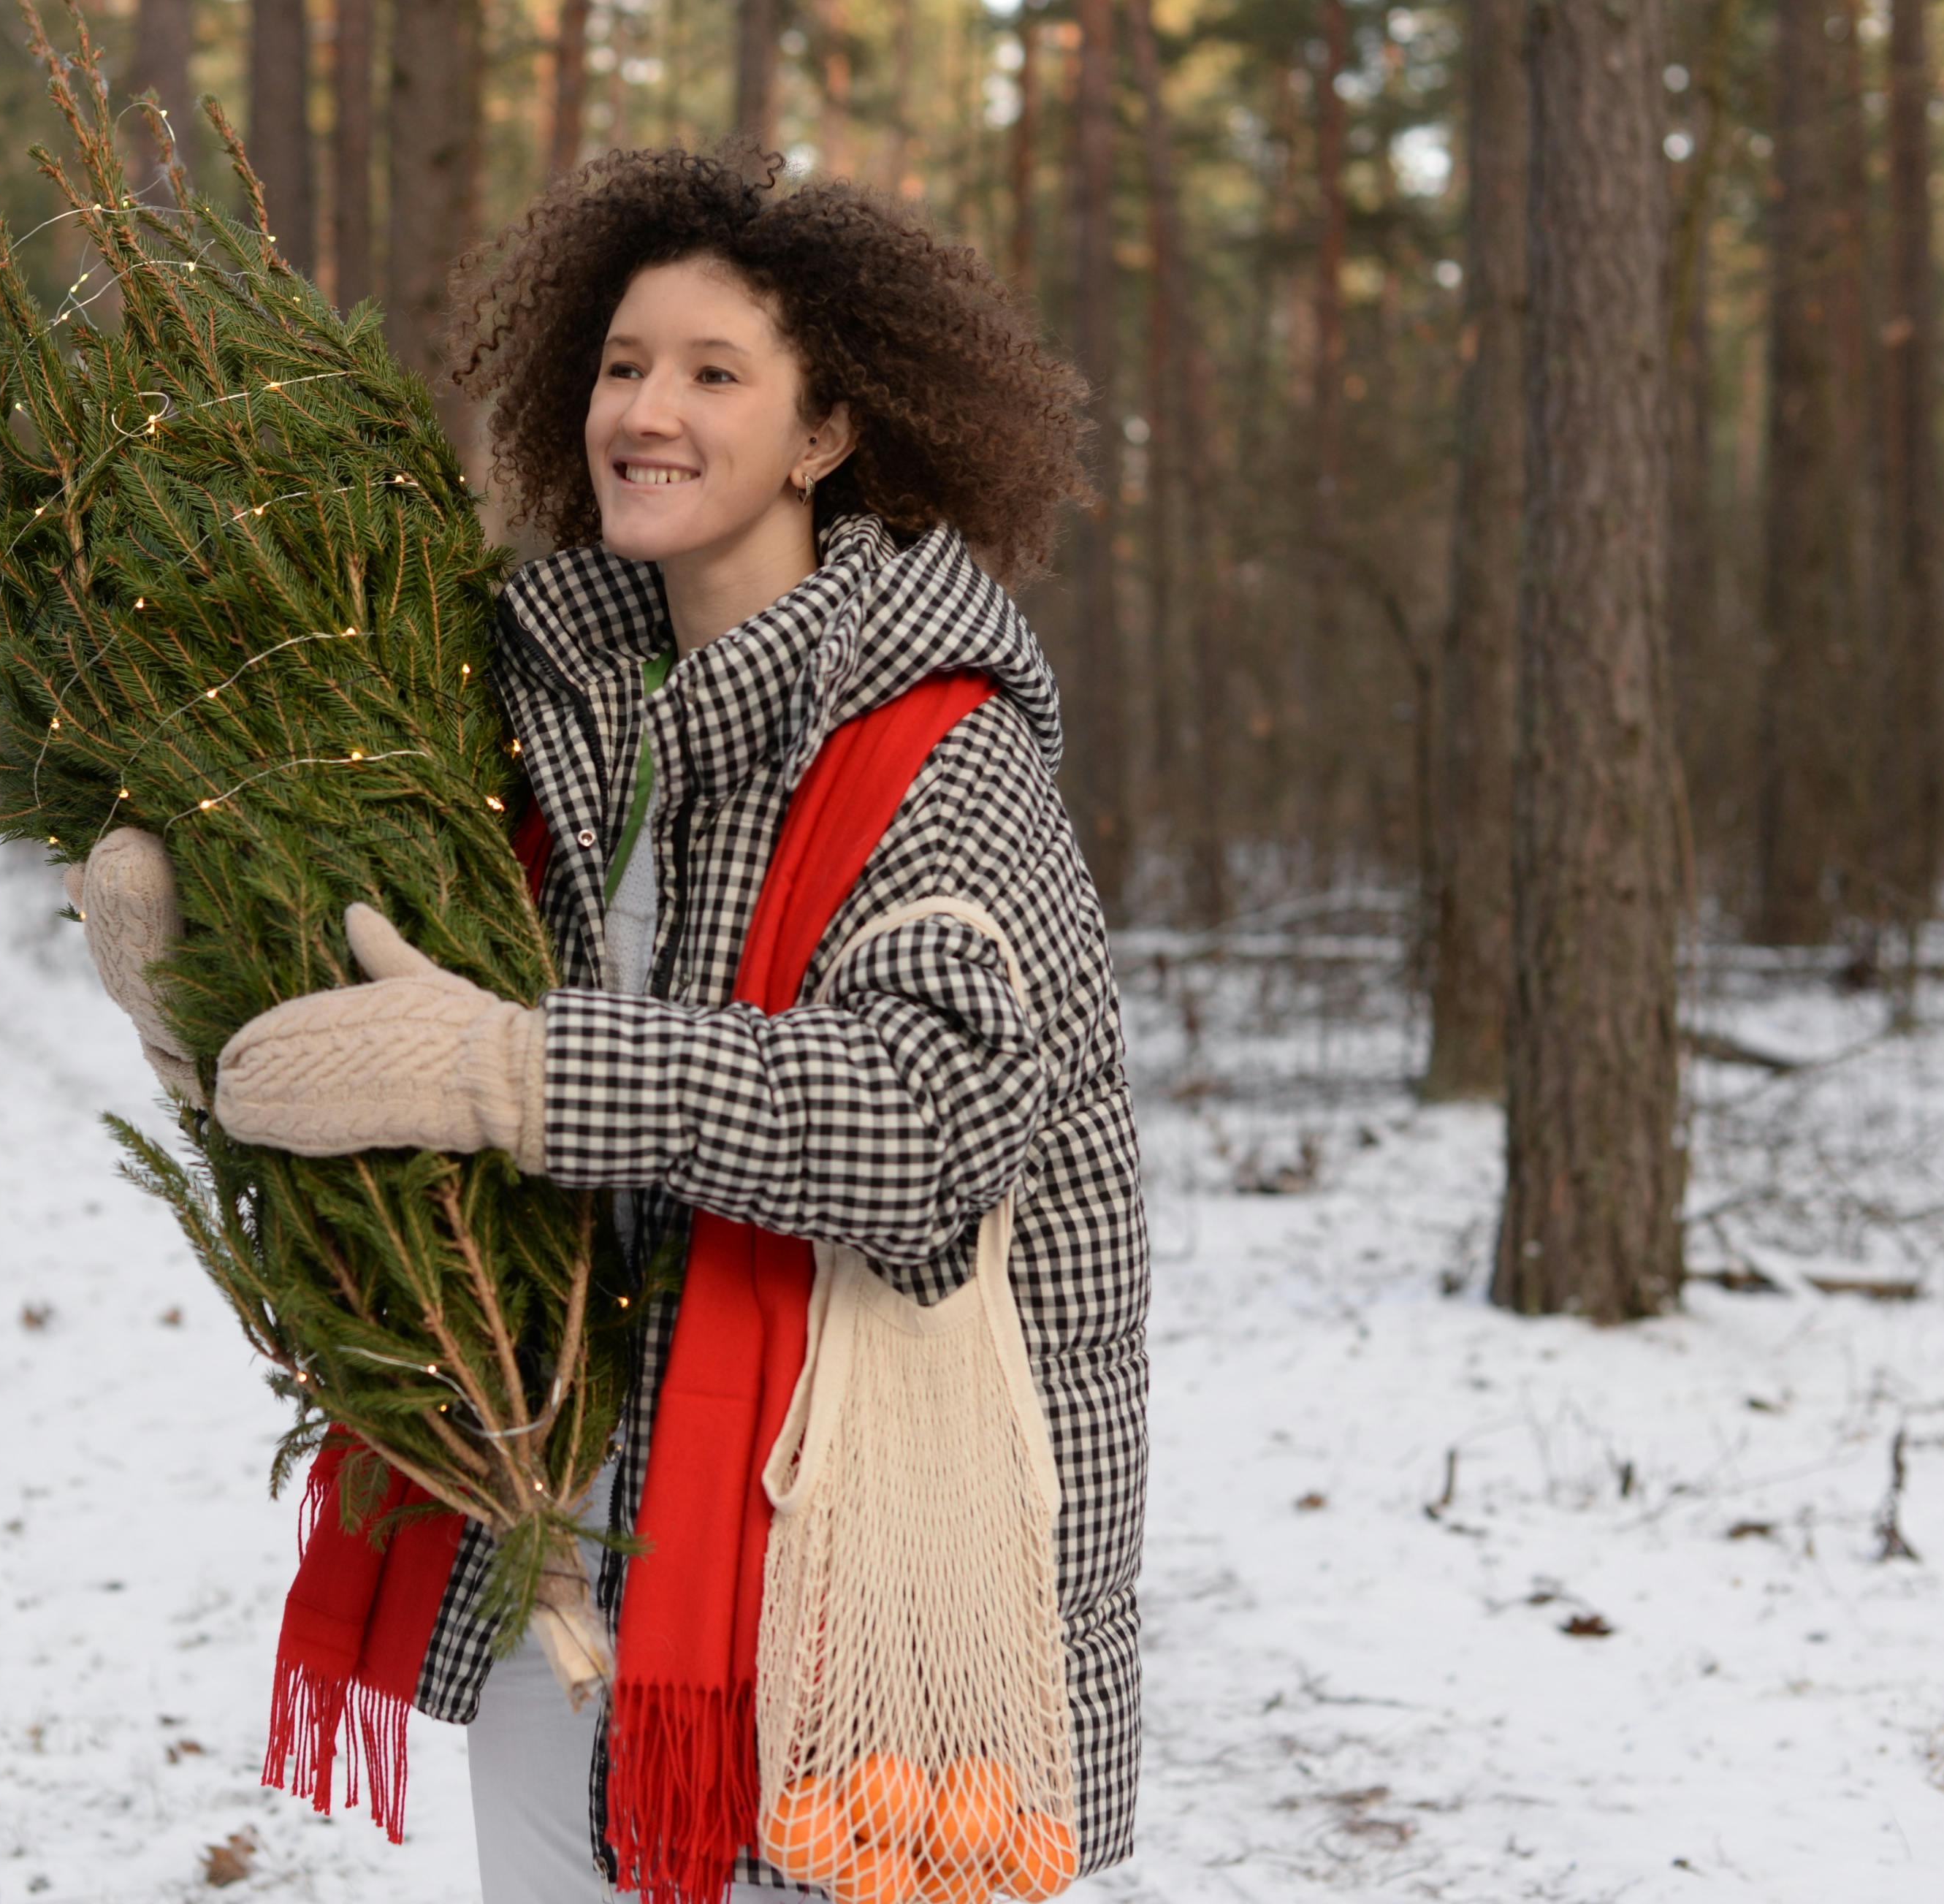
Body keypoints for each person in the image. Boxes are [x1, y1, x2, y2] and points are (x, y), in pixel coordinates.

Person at [80, 146, 1146, 1899]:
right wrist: (193, 1011)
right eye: (623, 364)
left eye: (715, 373)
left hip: (853, 1577)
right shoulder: (543, 718)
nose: (646, 410)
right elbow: (386, 1067)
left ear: (824, 436)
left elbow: (930, 1122)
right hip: (568, 1549)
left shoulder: (940, 750)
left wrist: (514, 1065)